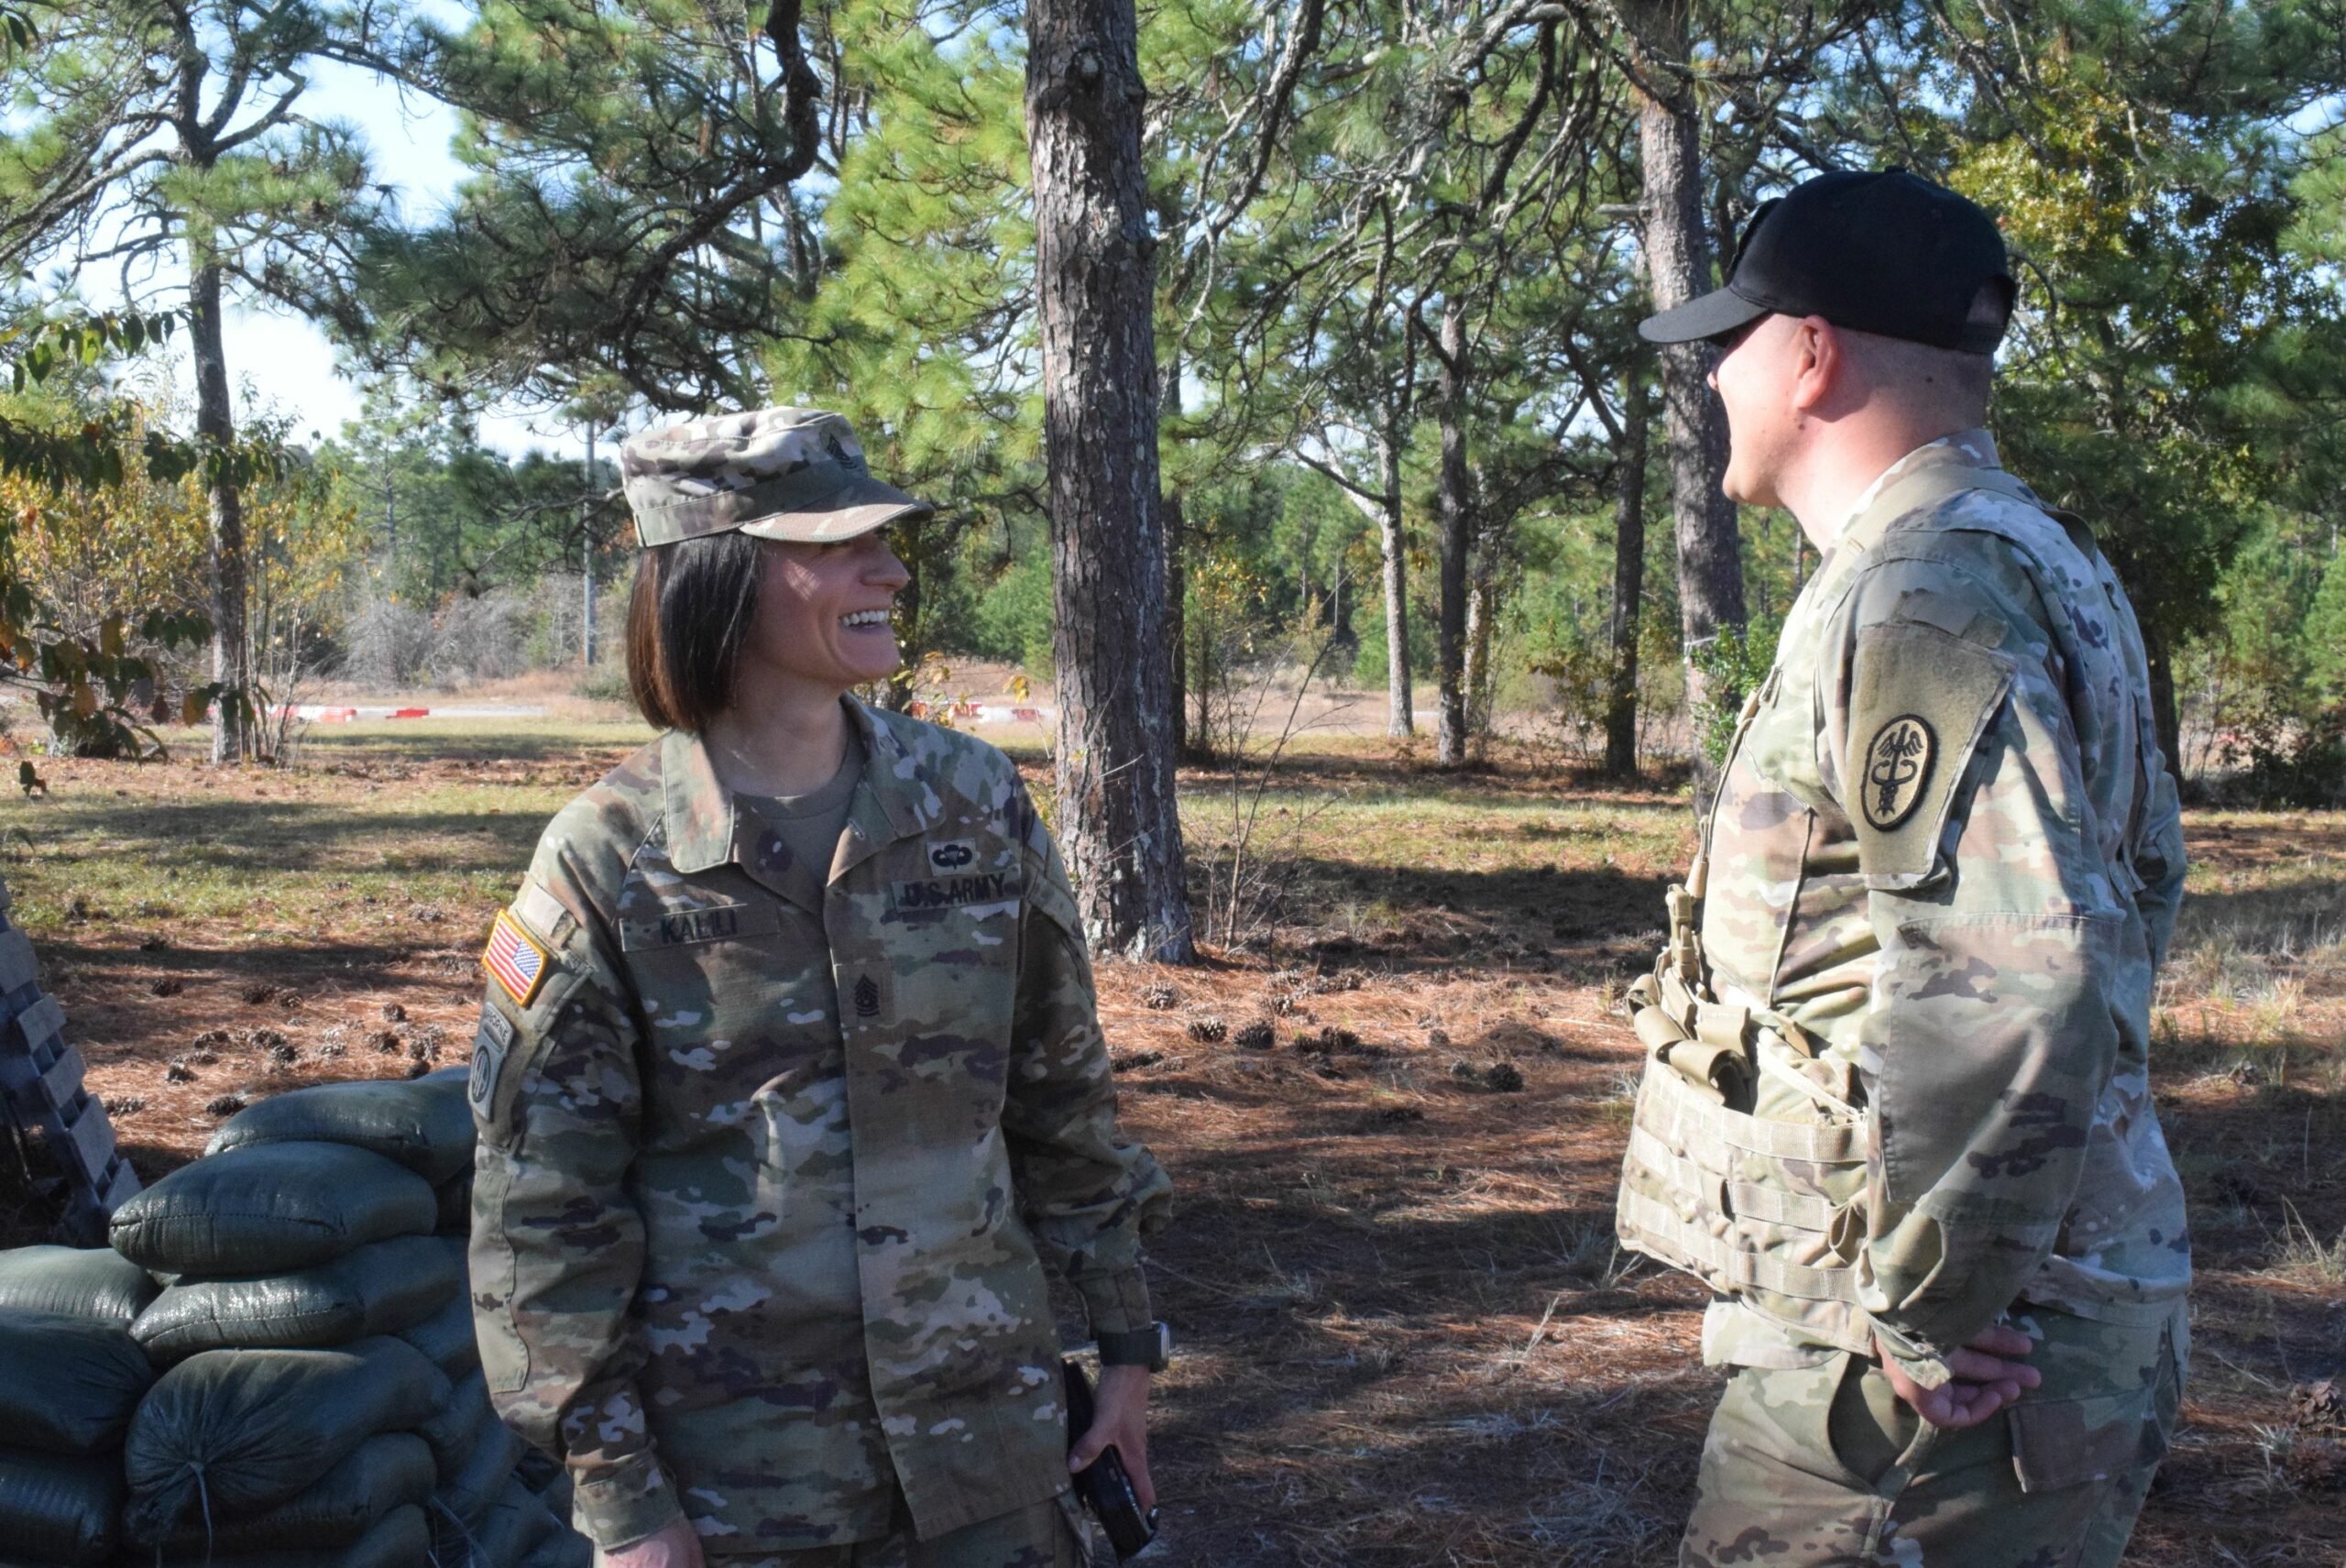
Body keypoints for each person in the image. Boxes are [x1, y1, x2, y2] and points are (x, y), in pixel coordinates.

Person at [465, 407, 1174, 1568]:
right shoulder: (607, 860)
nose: (889, 568)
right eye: (839, 543)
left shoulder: (972, 802)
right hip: (746, 1482)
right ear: (720, 571)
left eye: (886, 541)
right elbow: (541, 1211)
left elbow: (1062, 1100)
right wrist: (623, 1503)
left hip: (986, 1448)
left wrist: (1127, 1350)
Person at [1614, 170, 2190, 1567]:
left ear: (1811, 355)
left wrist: (1931, 1298)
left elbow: (2018, 977)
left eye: (1726, 347)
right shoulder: (2030, 557)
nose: (1711, 383)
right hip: (2009, 1309)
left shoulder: (1924, 584)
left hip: (1941, 1377)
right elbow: (2136, 897)